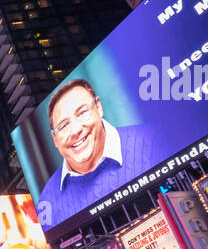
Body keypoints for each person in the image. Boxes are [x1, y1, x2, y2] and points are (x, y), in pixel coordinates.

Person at [35, 78, 160, 228]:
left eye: (82, 113)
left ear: (98, 108)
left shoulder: (153, 141)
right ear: (54, 139)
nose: (75, 130)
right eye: (64, 125)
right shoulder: (47, 201)